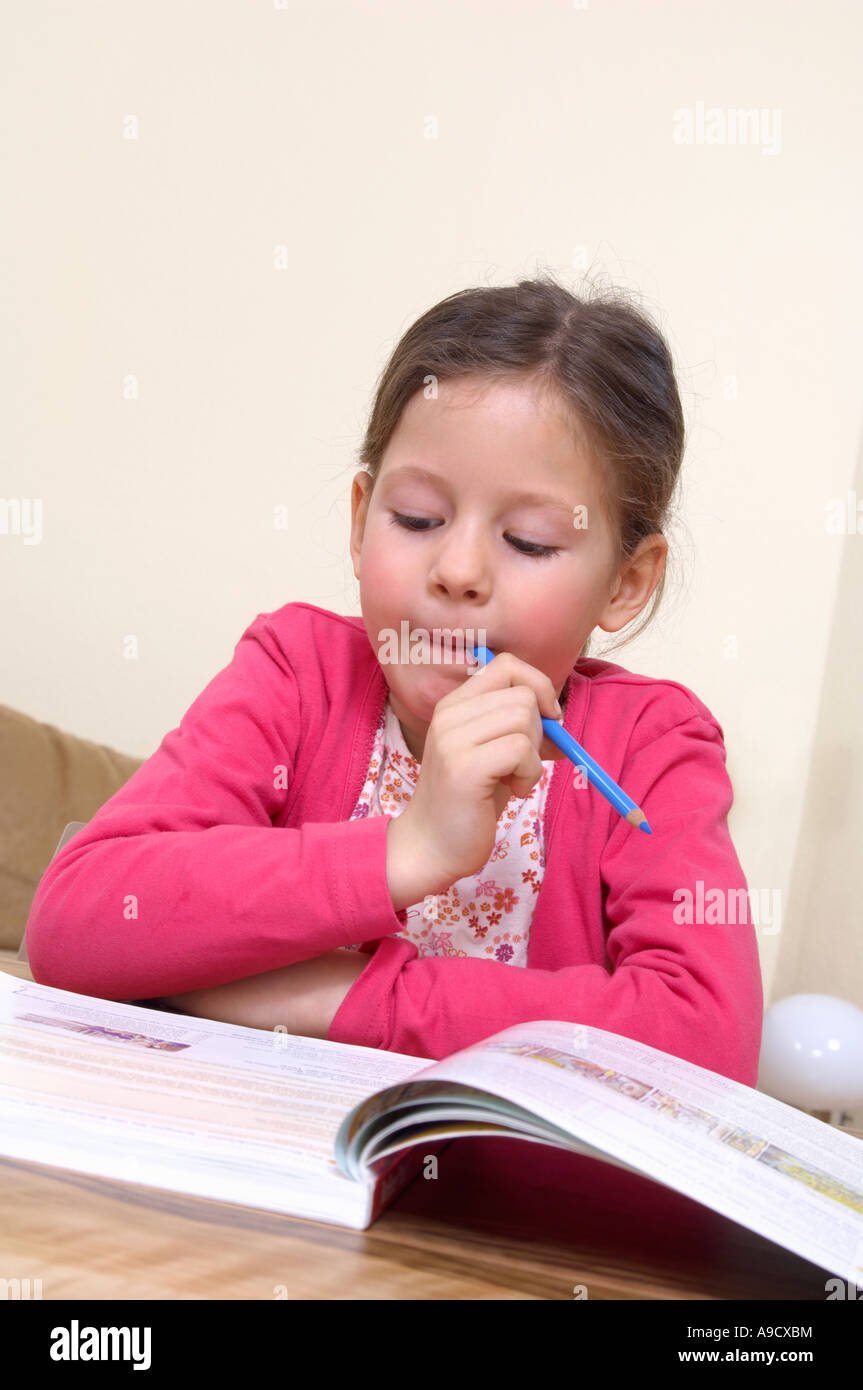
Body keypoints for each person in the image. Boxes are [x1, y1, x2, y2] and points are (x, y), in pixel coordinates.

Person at [24, 274, 763, 1084]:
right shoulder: (296, 672)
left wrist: (339, 1002)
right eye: (417, 519)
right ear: (359, 519)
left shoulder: (651, 748)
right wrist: (406, 848)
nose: (456, 571)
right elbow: (77, 921)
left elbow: (704, 1049)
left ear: (625, 581)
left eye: (529, 540)